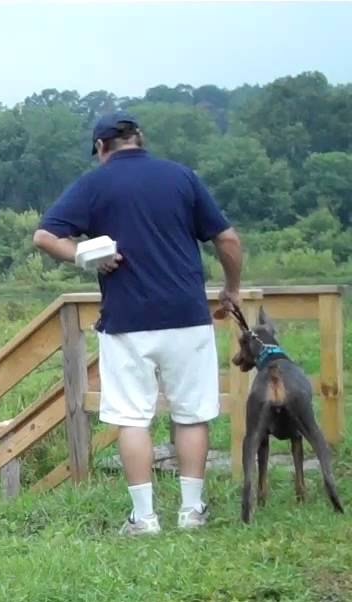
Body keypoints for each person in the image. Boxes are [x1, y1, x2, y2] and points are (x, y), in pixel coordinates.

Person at [33, 110, 243, 537]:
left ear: (100, 148)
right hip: (186, 316)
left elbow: (45, 235)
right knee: (191, 415)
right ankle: (191, 512)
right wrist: (232, 288)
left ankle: (144, 519)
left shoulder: (94, 183)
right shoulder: (182, 177)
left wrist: (84, 255)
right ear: (140, 139)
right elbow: (227, 239)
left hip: (127, 320)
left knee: (132, 418)